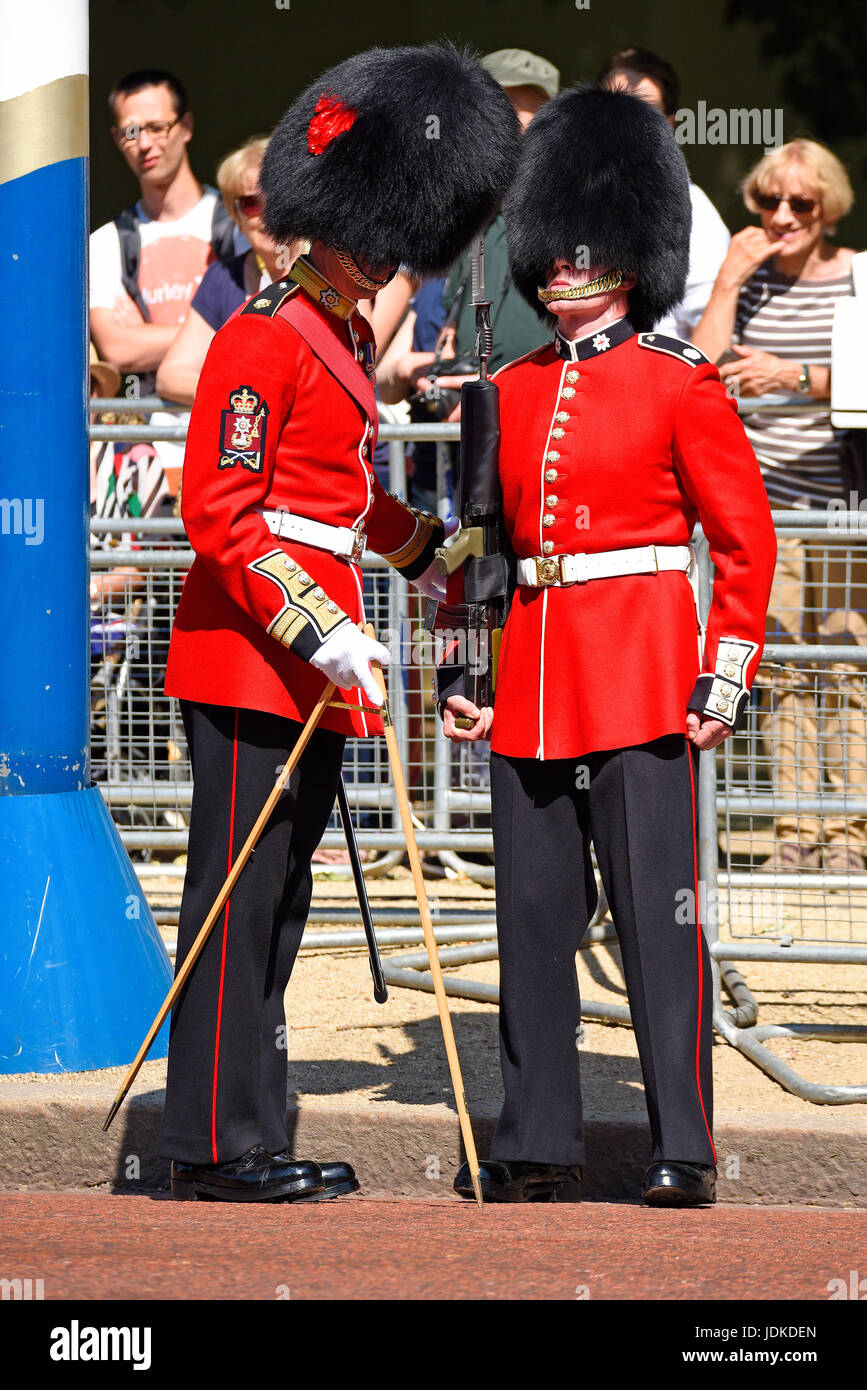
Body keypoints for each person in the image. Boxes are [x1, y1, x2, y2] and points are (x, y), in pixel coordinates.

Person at [156, 42, 520, 1203]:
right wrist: (320, 627)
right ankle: (213, 1143)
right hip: (255, 655)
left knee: (279, 903)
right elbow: (223, 511)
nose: (385, 258)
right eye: (377, 236)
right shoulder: (263, 334)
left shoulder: (342, 337)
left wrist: (426, 552)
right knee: (235, 901)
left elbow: (339, 495)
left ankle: (250, 1129)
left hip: (311, 656)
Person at [437, 85, 776, 1207]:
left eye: (586, 251)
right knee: (530, 925)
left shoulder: (682, 386)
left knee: (656, 924)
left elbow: (744, 544)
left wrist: (723, 673)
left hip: (642, 675)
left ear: (629, 259)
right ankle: (538, 1135)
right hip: (531, 677)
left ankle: (686, 1141)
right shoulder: (507, 390)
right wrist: (464, 671)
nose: (565, 271)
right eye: (554, 253)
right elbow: (480, 550)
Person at [692, 140, 862, 872]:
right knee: (783, 668)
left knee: (848, 666)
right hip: (765, 508)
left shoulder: (857, 276)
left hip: (844, 507)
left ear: (828, 207)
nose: (784, 215)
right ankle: (796, 833)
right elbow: (695, 370)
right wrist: (729, 279)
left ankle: (848, 836)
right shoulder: (750, 282)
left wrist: (791, 375)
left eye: (801, 203)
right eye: (770, 202)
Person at [597, 47, 731, 341]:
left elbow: (711, 341)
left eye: (643, 110)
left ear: (668, 124)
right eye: (613, 105)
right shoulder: (563, 198)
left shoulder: (696, 212)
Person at [156, 137, 285, 406]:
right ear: (235, 215)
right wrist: (244, 396)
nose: (267, 214)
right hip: (251, 436)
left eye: (277, 198)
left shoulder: (330, 269)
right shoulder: (223, 277)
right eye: (252, 204)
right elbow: (171, 375)